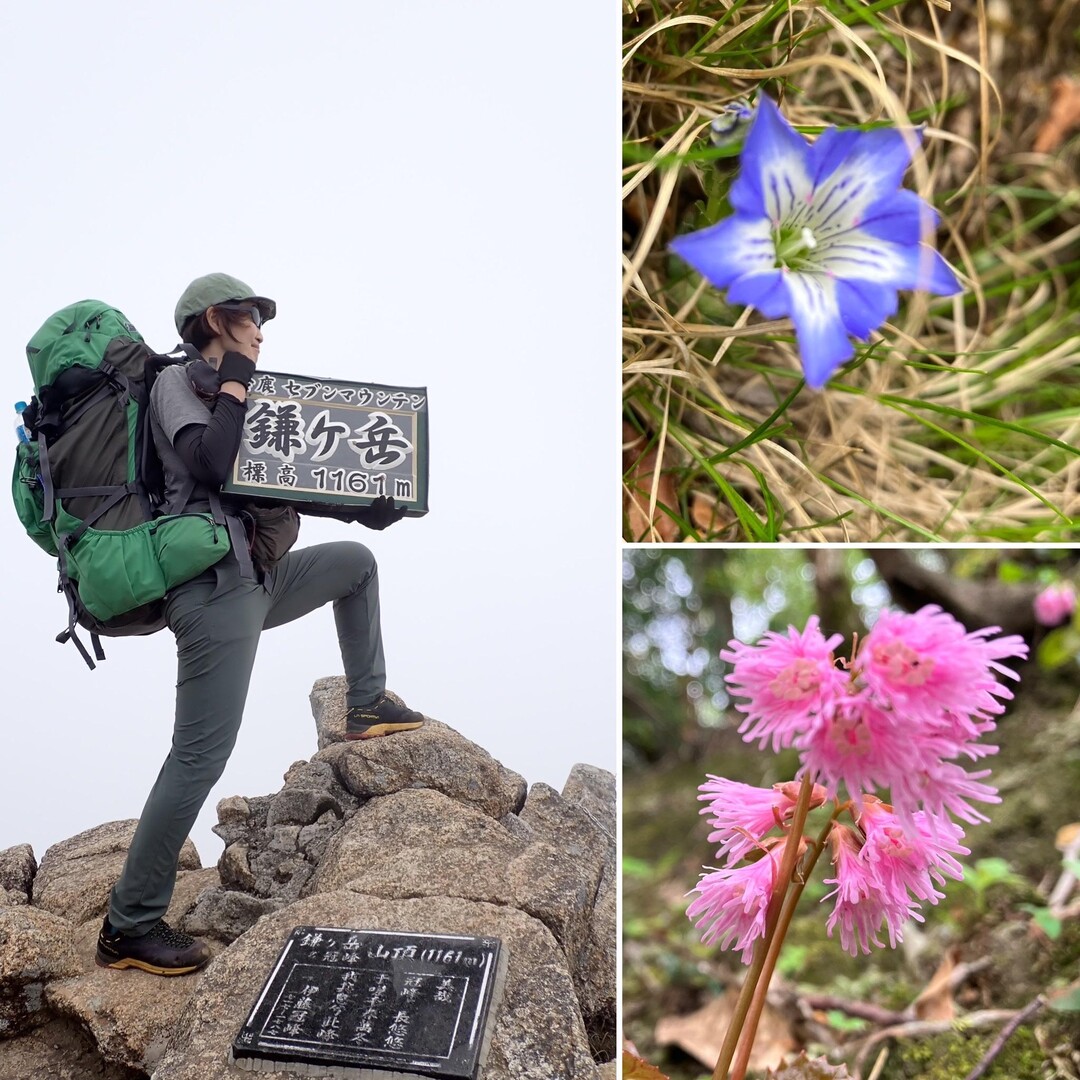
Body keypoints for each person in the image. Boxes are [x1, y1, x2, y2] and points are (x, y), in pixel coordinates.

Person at [95, 272, 424, 976]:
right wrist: (239, 379)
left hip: (259, 578)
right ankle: (129, 925)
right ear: (217, 318)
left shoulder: (243, 393)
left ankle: (366, 702)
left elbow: (273, 475)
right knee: (197, 757)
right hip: (213, 585)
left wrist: (366, 506)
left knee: (356, 562)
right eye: (250, 320)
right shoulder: (179, 385)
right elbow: (212, 461)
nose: (261, 332)